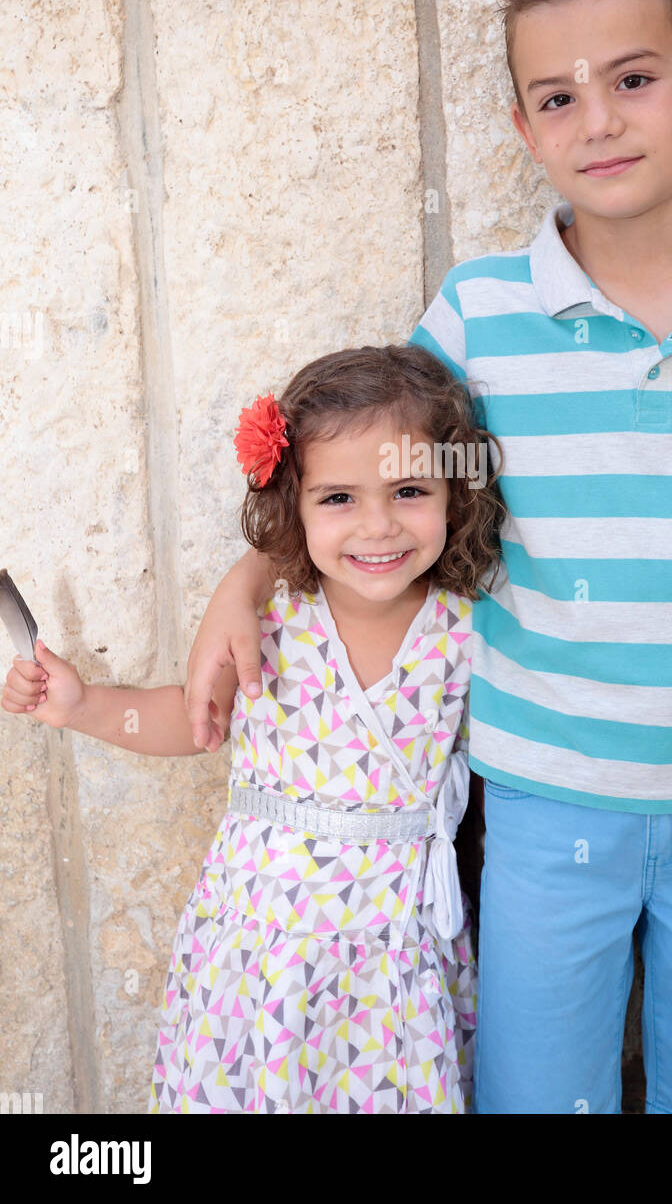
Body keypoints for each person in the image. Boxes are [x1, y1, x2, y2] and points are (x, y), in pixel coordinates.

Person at [178, 0, 672, 1114]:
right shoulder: (477, 315)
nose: (595, 119)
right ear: (521, 126)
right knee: (537, 1087)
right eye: (555, 96)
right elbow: (355, 465)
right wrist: (244, 581)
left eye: (632, 78)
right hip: (544, 794)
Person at [2, 343, 505, 1114]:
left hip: (395, 958)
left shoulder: (467, 627)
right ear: (291, 506)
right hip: (262, 950)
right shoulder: (274, 617)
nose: (377, 526)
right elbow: (192, 716)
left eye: (408, 490)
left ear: (454, 495)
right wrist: (80, 707)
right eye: (338, 498)